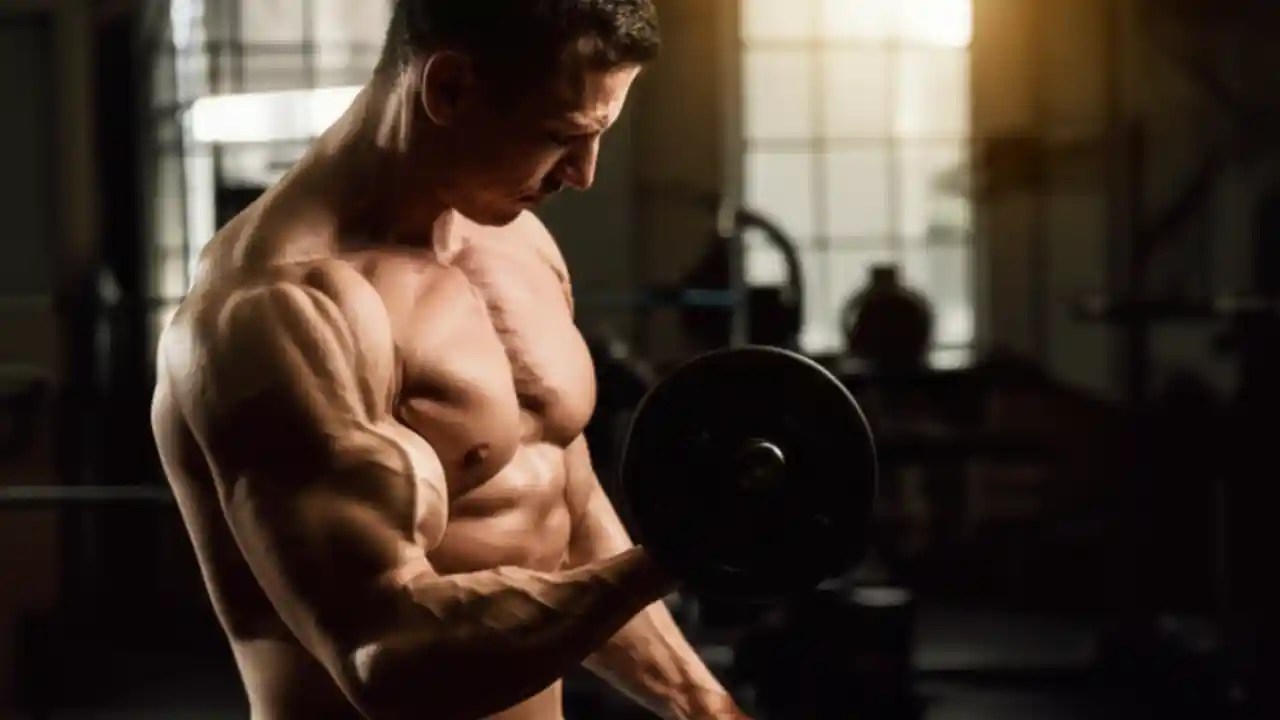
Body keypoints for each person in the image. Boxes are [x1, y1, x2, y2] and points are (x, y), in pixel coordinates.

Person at [150, 2, 748, 718]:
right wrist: (672, 557)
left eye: (598, 136)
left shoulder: (518, 246)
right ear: (450, 89)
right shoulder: (275, 311)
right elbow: (384, 654)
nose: (584, 175)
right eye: (562, 135)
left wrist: (703, 705)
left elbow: (569, 511)